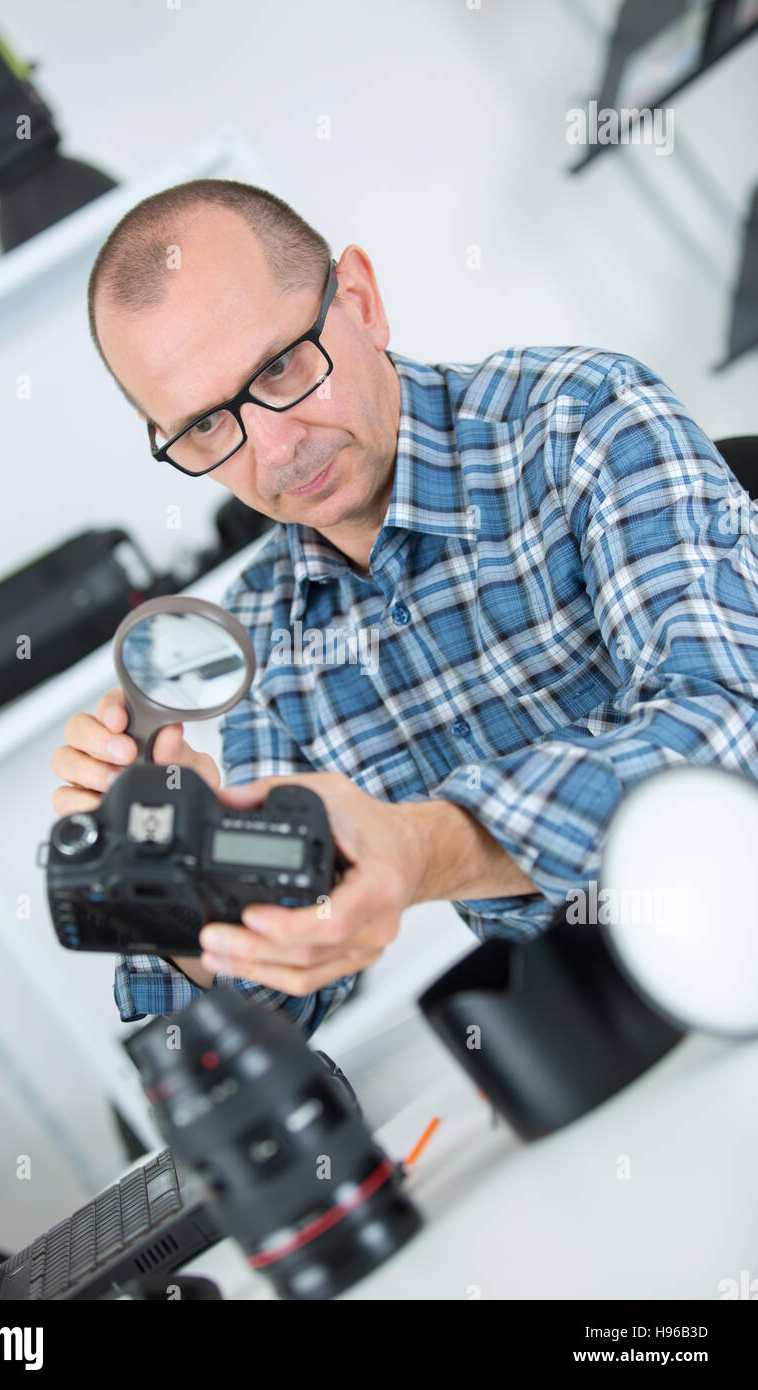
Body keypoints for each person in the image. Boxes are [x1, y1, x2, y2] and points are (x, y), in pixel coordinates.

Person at [50, 178, 758, 1036]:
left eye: (280, 366)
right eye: (205, 427)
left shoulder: (582, 419)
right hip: (591, 1042)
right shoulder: (268, 635)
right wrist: (180, 867)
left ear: (360, 300)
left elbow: (729, 722)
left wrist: (425, 847)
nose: (274, 447)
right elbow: (269, 1001)